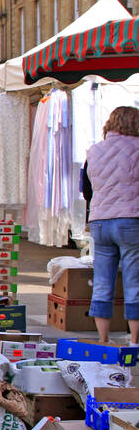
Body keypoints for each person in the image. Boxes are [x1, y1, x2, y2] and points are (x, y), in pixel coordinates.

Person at [82, 106, 139, 344]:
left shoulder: (94, 151)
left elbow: (86, 189)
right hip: (131, 220)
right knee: (134, 282)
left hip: (100, 222)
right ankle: (134, 341)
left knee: (103, 281)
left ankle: (103, 339)